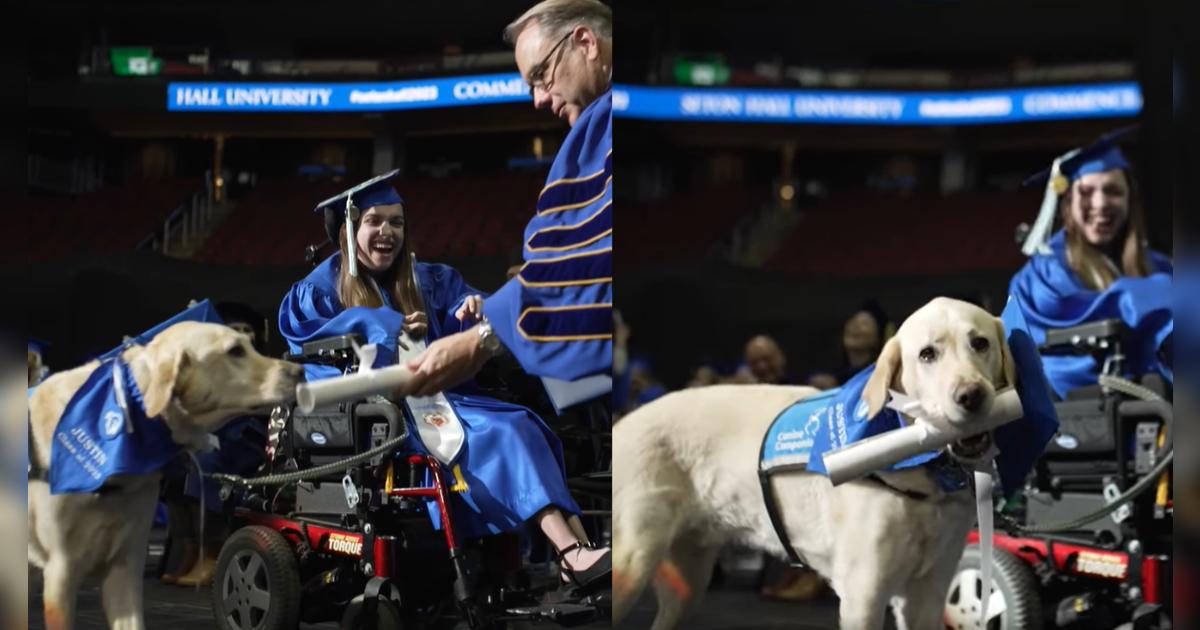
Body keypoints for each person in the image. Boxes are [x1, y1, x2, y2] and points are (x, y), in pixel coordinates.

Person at [278, 172, 610, 588]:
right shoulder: (318, 290)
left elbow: (464, 303)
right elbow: (312, 351)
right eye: (374, 221)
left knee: (526, 424)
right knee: (504, 433)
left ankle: (575, 550)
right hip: (384, 418)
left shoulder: (425, 277)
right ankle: (571, 553)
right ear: (350, 229)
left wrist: (474, 308)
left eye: (396, 223)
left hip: (443, 401)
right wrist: (389, 328)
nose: (387, 232)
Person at [399, 0, 613, 398]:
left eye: (541, 75)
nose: (538, 99)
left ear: (585, 42)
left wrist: (483, 336)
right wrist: (495, 314)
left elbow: (585, 269)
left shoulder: (602, 129)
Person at [1010, 127, 1172, 399]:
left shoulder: (1160, 266)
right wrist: (1157, 296)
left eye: (1113, 191)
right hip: (1079, 412)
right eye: (1086, 192)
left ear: (1130, 200)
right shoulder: (1043, 273)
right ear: (1068, 202)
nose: (1100, 203)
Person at [160, 301, 272, 587]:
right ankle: (189, 548)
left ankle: (211, 552)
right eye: (235, 329)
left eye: (247, 329)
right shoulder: (212, 368)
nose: (243, 334)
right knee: (175, 463)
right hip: (215, 437)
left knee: (207, 465)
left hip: (247, 440)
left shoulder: (265, 366)